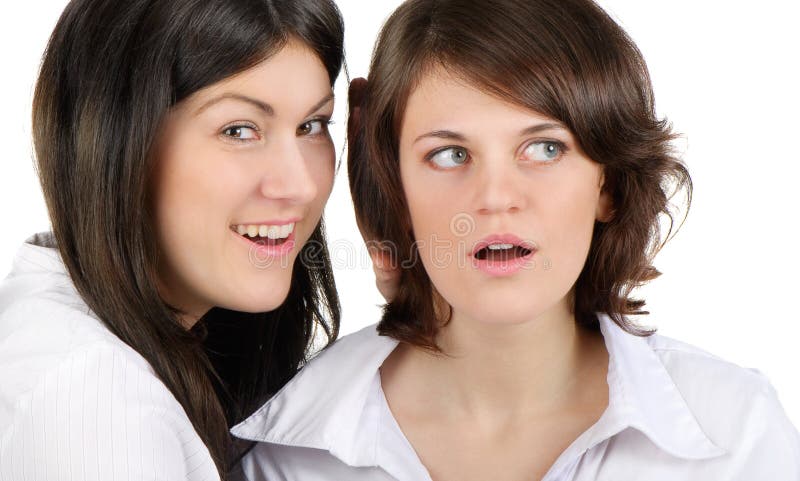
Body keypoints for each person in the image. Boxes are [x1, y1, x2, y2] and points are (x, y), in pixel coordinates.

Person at [232, 0, 800, 480]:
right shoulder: (288, 454)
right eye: (450, 155)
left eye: (545, 148)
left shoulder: (731, 431)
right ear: (395, 191)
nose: (497, 197)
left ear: (607, 186)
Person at [0, 0, 346, 479]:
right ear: (115, 140)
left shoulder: (107, 347)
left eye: (311, 126)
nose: (301, 186)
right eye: (239, 130)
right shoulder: (94, 402)